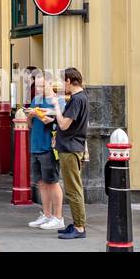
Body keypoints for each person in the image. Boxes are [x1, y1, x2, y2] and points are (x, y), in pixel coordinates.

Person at [24, 70, 65, 231]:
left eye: (42, 85)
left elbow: (59, 124)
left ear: (50, 84)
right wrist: (29, 115)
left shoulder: (59, 101)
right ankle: (46, 215)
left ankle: (58, 217)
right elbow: (30, 125)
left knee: (52, 182)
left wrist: (39, 114)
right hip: (35, 145)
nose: (39, 89)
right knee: (41, 183)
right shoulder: (35, 99)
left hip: (49, 147)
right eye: (37, 86)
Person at [51, 67, 89, 240]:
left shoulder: (77, 99)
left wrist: (56, 107)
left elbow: (65, 124)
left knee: (73, 189)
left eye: (63, 81)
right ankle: (76, 223)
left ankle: (79, 227)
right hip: (72, 146)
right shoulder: (81, 98)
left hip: (71, 148)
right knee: (74, 187)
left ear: (68, 80)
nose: (62, 85)